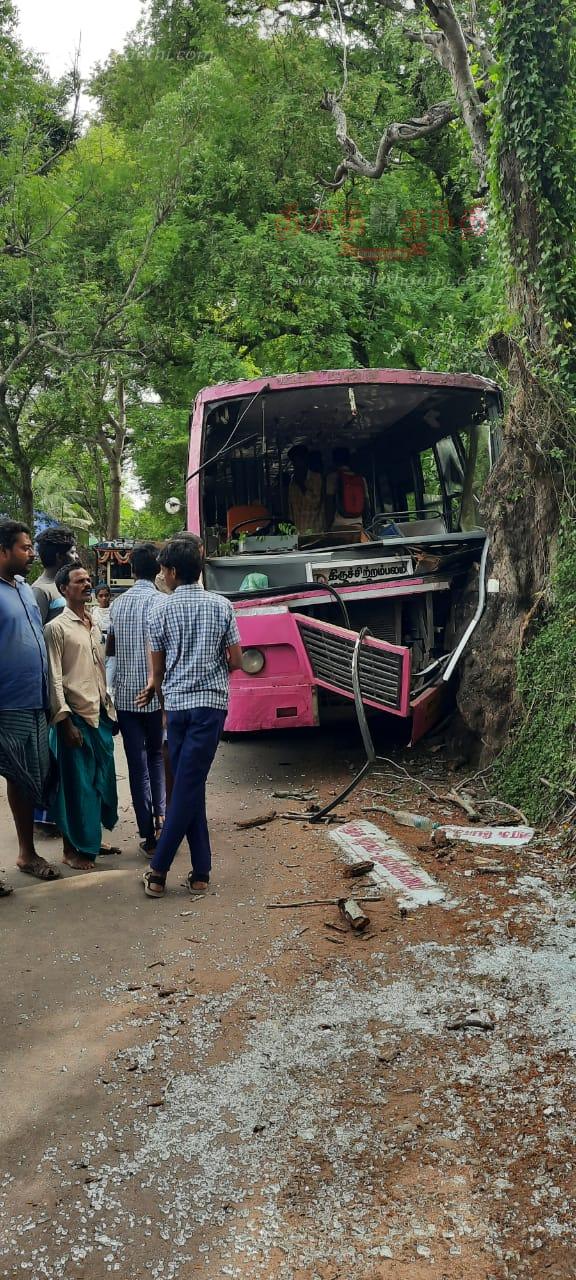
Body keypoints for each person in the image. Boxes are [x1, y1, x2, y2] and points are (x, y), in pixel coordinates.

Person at [137, 539, 242, 899]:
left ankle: (160, 868)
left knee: (185, 783)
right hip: (210, 706)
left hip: (177, 708)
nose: (161, 575)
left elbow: (157, 669)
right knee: (188, 784)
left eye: (163, 569)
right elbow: (237, 660)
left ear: (173, 572)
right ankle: (200, 871)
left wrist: (155, 686)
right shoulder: (222, 605)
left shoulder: (159, 612)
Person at [45, 564, 119, 871]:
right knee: (74, 788)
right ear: (64, 589)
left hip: (98, 713)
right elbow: (54, 678)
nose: (87, 584)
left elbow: (99, 669)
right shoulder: (56, 628)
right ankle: (69, 849)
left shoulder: (92, 623)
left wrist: (108, 706)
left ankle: (90, 840)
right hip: (73, 718)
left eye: (88, 580)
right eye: (80, 581)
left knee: (99, 782)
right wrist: (63, 721)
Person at [0, 520, 60, 884]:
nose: (31, 554)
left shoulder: (23, 588)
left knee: (24, 780)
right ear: (3, 550)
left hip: (33, 702)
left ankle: (26, 854)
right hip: (4, 705)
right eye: (24, 548)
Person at [107, 544, 166, 854]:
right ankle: (161, 820)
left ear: (131, 570)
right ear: (158, 569)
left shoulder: (117, 605)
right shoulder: (162, 602)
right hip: (155, 696)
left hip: (126, 698)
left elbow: (111, 652)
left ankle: (147, 832)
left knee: (136, 763)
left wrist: (111, 689)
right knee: (156, 755)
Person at [32, 526, 77, 625]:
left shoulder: (66, 584)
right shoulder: (40, 590)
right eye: (72, 552)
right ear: (59, 557)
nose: (76, 556)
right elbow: (36, 630)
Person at [326, 446, 369, 530]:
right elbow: (366, 504)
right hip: (358, 523)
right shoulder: (361, 479)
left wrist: (328, 526)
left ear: (334, 461)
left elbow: (329, 503)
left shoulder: (332, 477)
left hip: (339, 525)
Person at [287, 444, 325, 534]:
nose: (295, 464)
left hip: (315, 531)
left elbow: (315, 502)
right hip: (298, 533)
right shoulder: (292, 481)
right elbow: (291, 508)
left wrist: (301, 486)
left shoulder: (316, 478)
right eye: (293, 462)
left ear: (305, 460)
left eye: (297, 461)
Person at [91, 582, 116, 693]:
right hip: (98, 647)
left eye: (106, 595)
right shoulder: (93, 612)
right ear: (96, 597)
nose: (104, 598)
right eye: (101, 596)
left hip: (112, 650)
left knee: (109, 684)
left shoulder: (114, 611)